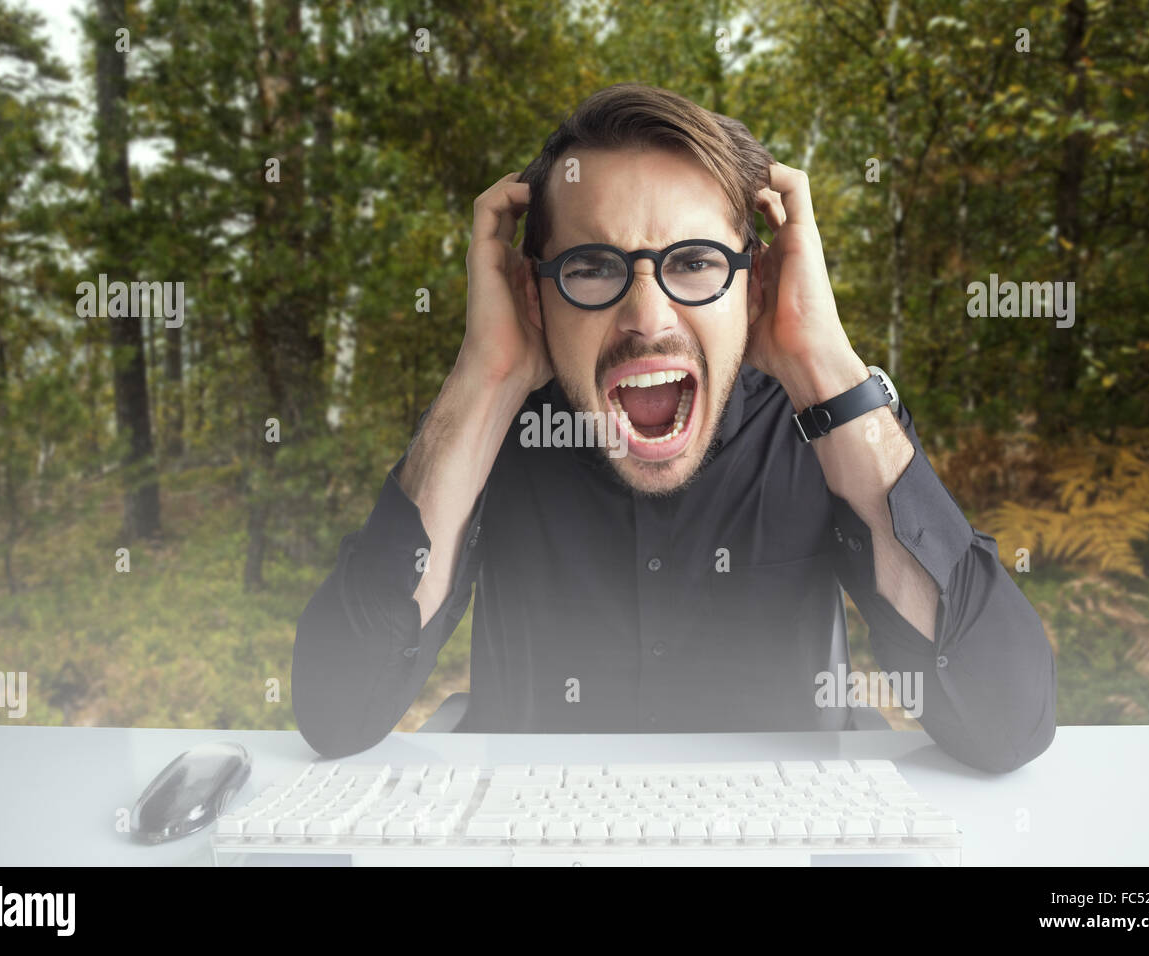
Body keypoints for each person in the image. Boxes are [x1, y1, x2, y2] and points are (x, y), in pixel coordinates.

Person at [292, 83, 1056, 773]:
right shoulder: (496, 434)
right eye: (593, 267)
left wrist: (825, 365)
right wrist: (483, 378)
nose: (648, 319)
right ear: (536, 295)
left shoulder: (827, 426)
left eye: (694, 262)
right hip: (535, 843)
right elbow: (337, 710)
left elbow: (1009, 724)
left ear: (753, 285)